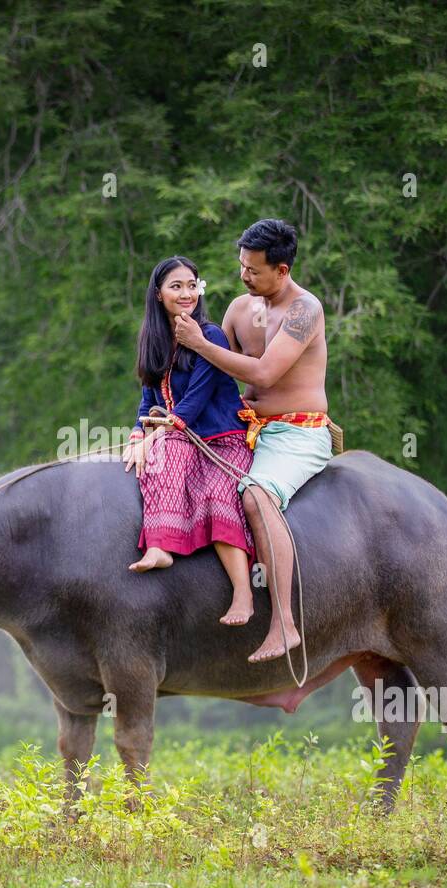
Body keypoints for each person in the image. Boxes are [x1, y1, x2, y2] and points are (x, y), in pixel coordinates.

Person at [172, 219, 332, 663]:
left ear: (282, 270)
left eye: (254, 270)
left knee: (257, 496)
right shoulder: (241, 310)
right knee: (177, 466)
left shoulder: (305, 310)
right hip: (245, 423)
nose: (244, 276)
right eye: (241, 266)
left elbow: (262, 373)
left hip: (295, 432)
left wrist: (200, 343)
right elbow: (219, 378)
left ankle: (284, 623)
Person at [121, 255, 257, 626]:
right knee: (154, 455)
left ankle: (243, 596)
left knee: (215, 494)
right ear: (159, 294)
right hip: (184, 438)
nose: (186, 293)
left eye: (191, 285)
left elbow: (195, 401)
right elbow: (148, 399)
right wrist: (137, 433)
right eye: (176, 286)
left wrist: (157, 436)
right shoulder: (156, 339)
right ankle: (160, 547)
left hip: (222, 441)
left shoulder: (209, 336)